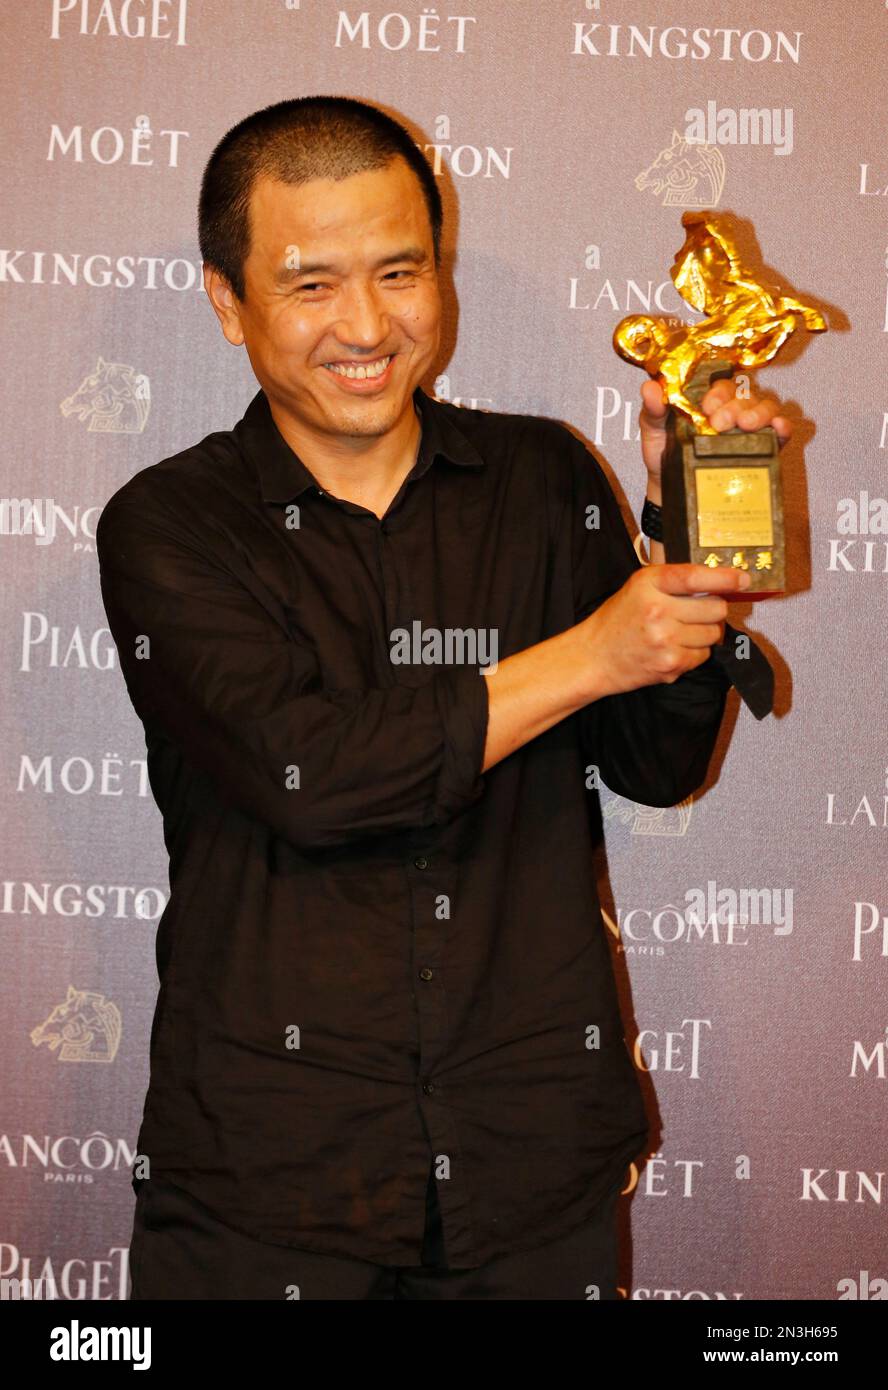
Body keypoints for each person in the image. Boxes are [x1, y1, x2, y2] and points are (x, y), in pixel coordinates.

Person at [97, 96, 790, 1301]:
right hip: (269, 1182)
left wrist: (689, 523)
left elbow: (656, 762)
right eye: (311, 284)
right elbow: (311, 776)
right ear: (228, 301)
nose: (367, 325)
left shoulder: (543, 478)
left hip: (529, 1168)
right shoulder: (170, 523)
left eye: (400, 271)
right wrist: (591, 653)